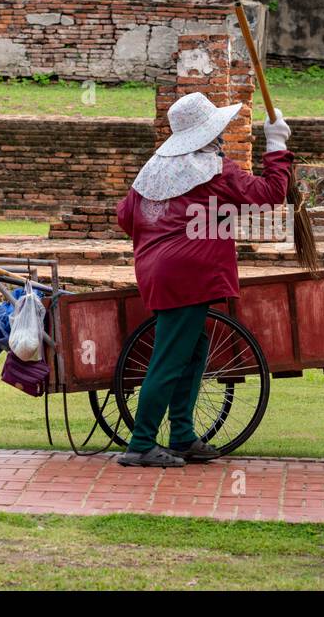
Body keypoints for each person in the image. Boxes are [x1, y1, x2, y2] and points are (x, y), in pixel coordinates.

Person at [115, 92, 294, 467]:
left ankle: (181, 435)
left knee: (193, 351)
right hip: (189, 275)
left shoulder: (153, 169)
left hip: (157, 272)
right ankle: (141, 443)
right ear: (209, 133)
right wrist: (276, 144)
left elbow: (126, 218)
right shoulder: (214, 169)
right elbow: (270, 195)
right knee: (167, 359)